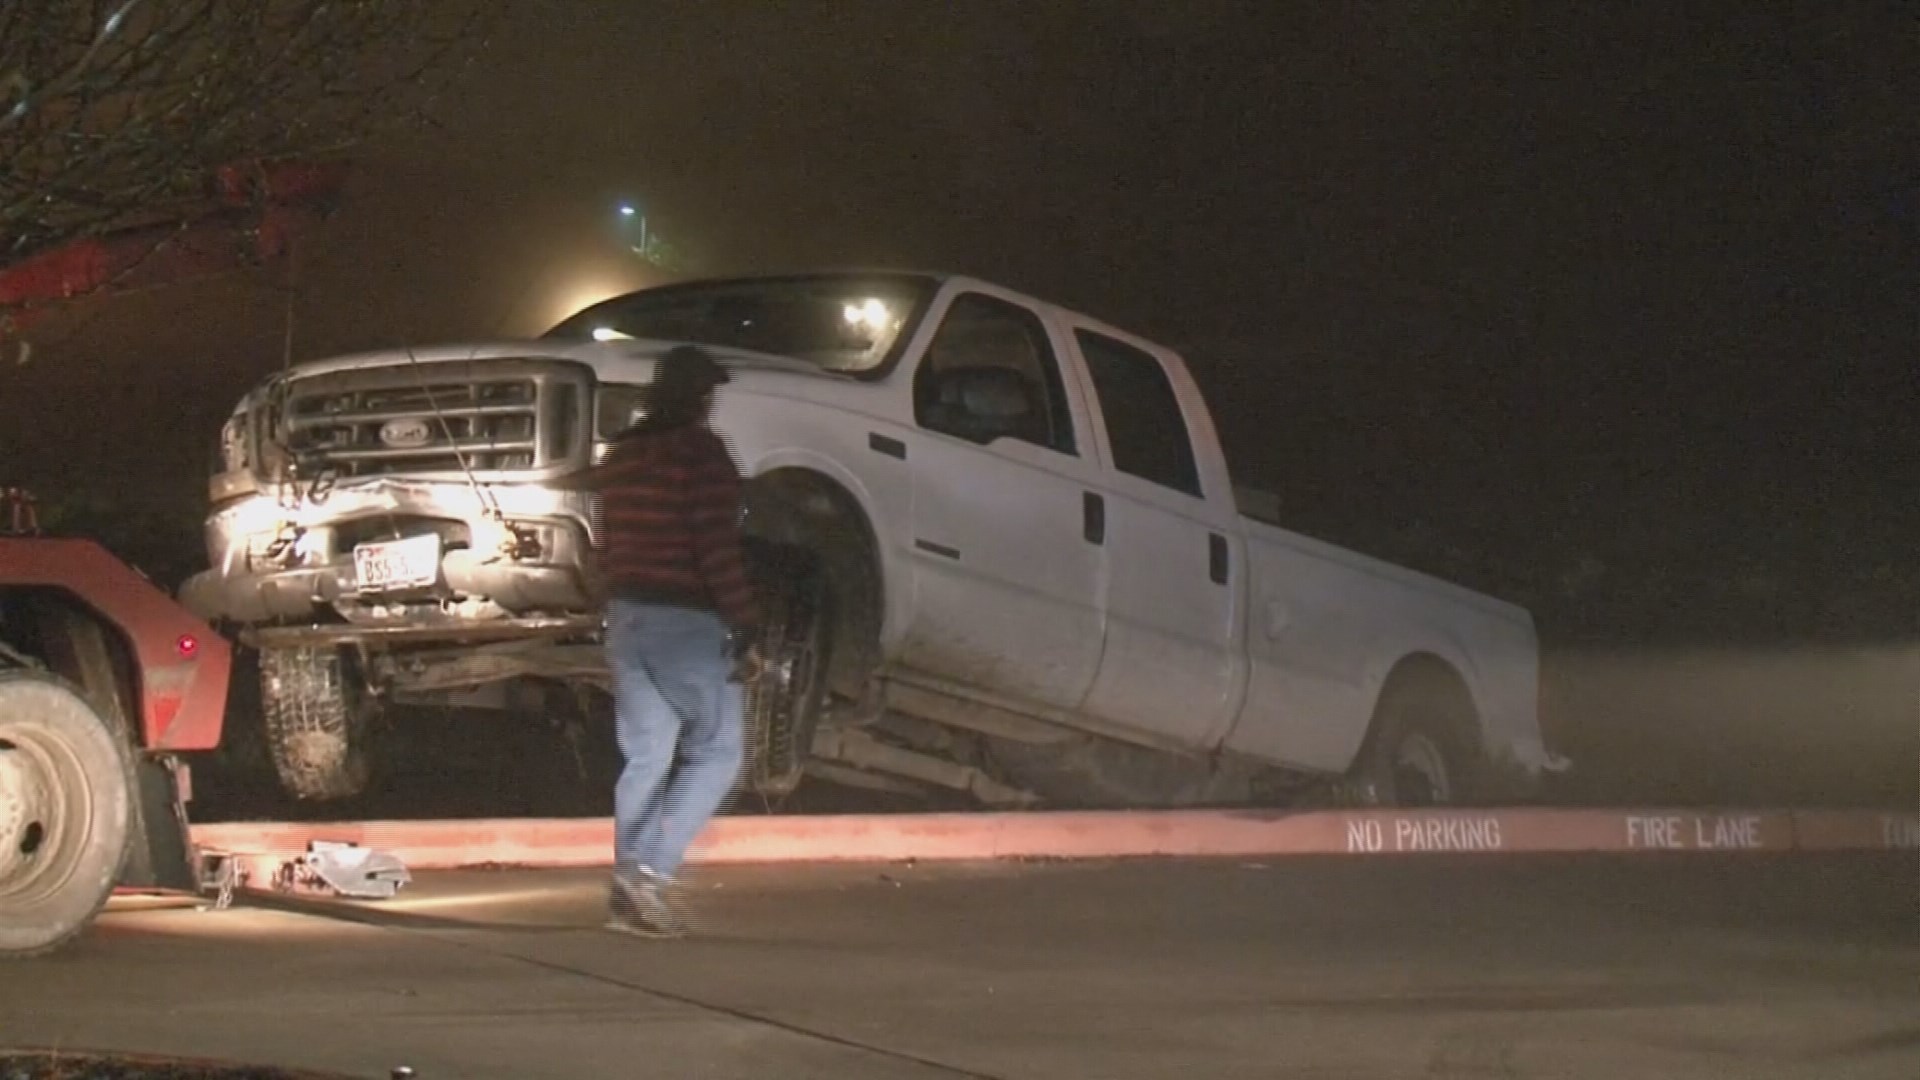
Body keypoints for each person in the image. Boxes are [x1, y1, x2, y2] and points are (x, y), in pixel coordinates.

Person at [560, 344, 763, 937]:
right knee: (719, 750)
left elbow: (602, 542)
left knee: (648, 754)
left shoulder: (623, 456)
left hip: (627, 619)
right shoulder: (700, 456)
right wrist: (745, 622)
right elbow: (715, 548)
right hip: (686, 622)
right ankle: (647, 872)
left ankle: (629, 900)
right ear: (703, 397)